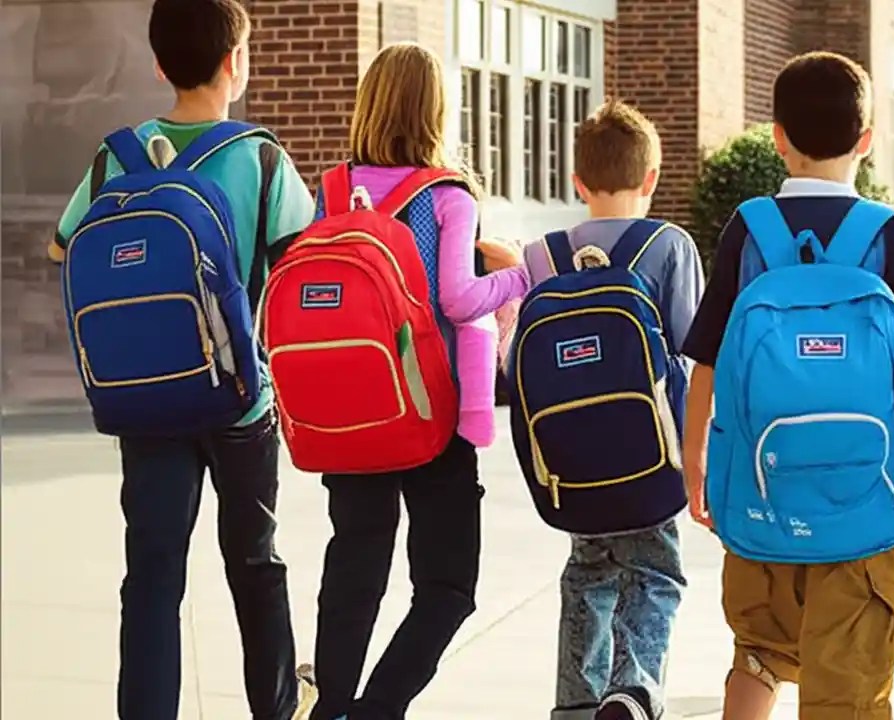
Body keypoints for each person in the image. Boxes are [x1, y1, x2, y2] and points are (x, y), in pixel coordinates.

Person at [47, 0, 315, 718]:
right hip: (240, 403)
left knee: (153, 577)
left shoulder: (115, 155)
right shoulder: (262, 157)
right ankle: (276, 707)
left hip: (147, 400)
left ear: (159, 64)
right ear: (238, 63)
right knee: (254, 563)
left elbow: (62, 244)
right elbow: (301, 263)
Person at [680, 51, 894, 720]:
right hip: (867, 493)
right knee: (851, 678)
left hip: (760, 489)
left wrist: (696, 469)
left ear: (776, 137)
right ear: (867, 140)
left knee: (757, 652)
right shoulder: (891, 236)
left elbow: (707, 365)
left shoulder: (749, 230)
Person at [305, 42, 528, 720]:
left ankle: (333, 707)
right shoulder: (448, 198)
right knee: (447, 584)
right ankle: (379, 709)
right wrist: (520, 271)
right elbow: (458, 300)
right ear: (437, 110)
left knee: (354, 567)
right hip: (432, 410)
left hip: (352, 407)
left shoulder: (335, 189)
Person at [508, 99, 704, 720]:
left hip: (572, 462)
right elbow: (695, 356)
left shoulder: (541, 256)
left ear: (577, 181)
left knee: (587, 573)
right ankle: (635, 689)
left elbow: (522, 361)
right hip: (651, 458)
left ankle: (576, 702)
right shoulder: (668, 246)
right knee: (655, 573)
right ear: (651, 179)